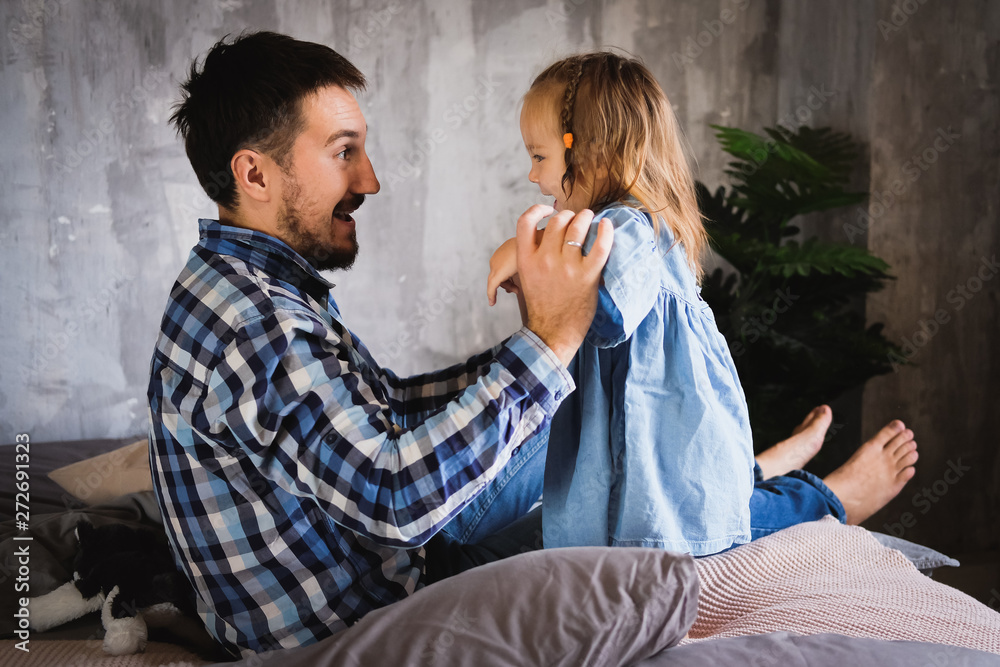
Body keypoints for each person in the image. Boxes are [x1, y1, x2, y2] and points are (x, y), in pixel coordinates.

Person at [148, 31, 613, 656]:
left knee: (590, 429)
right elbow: (394, 500)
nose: (370, 180)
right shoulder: (259, 325)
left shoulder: (235, 282)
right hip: (373, 630)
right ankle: (772, 480)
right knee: (623, 526)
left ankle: (764, 469)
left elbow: (381, 406)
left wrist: (537, 350)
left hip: (388, 574)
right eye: (345, 152)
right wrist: (546, 347)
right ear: (254, 172)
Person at [486, 52, 919, 554]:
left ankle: (826, 501)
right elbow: (566, 326)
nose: (533, 176)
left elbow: (602, 314)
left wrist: (525, 247)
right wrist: (538, 283)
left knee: (716, 530)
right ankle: (769, 464)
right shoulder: (617, 230)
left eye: (540, 157)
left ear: (593, 151)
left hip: (675, 465)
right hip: (651, 459)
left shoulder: (630, 229)